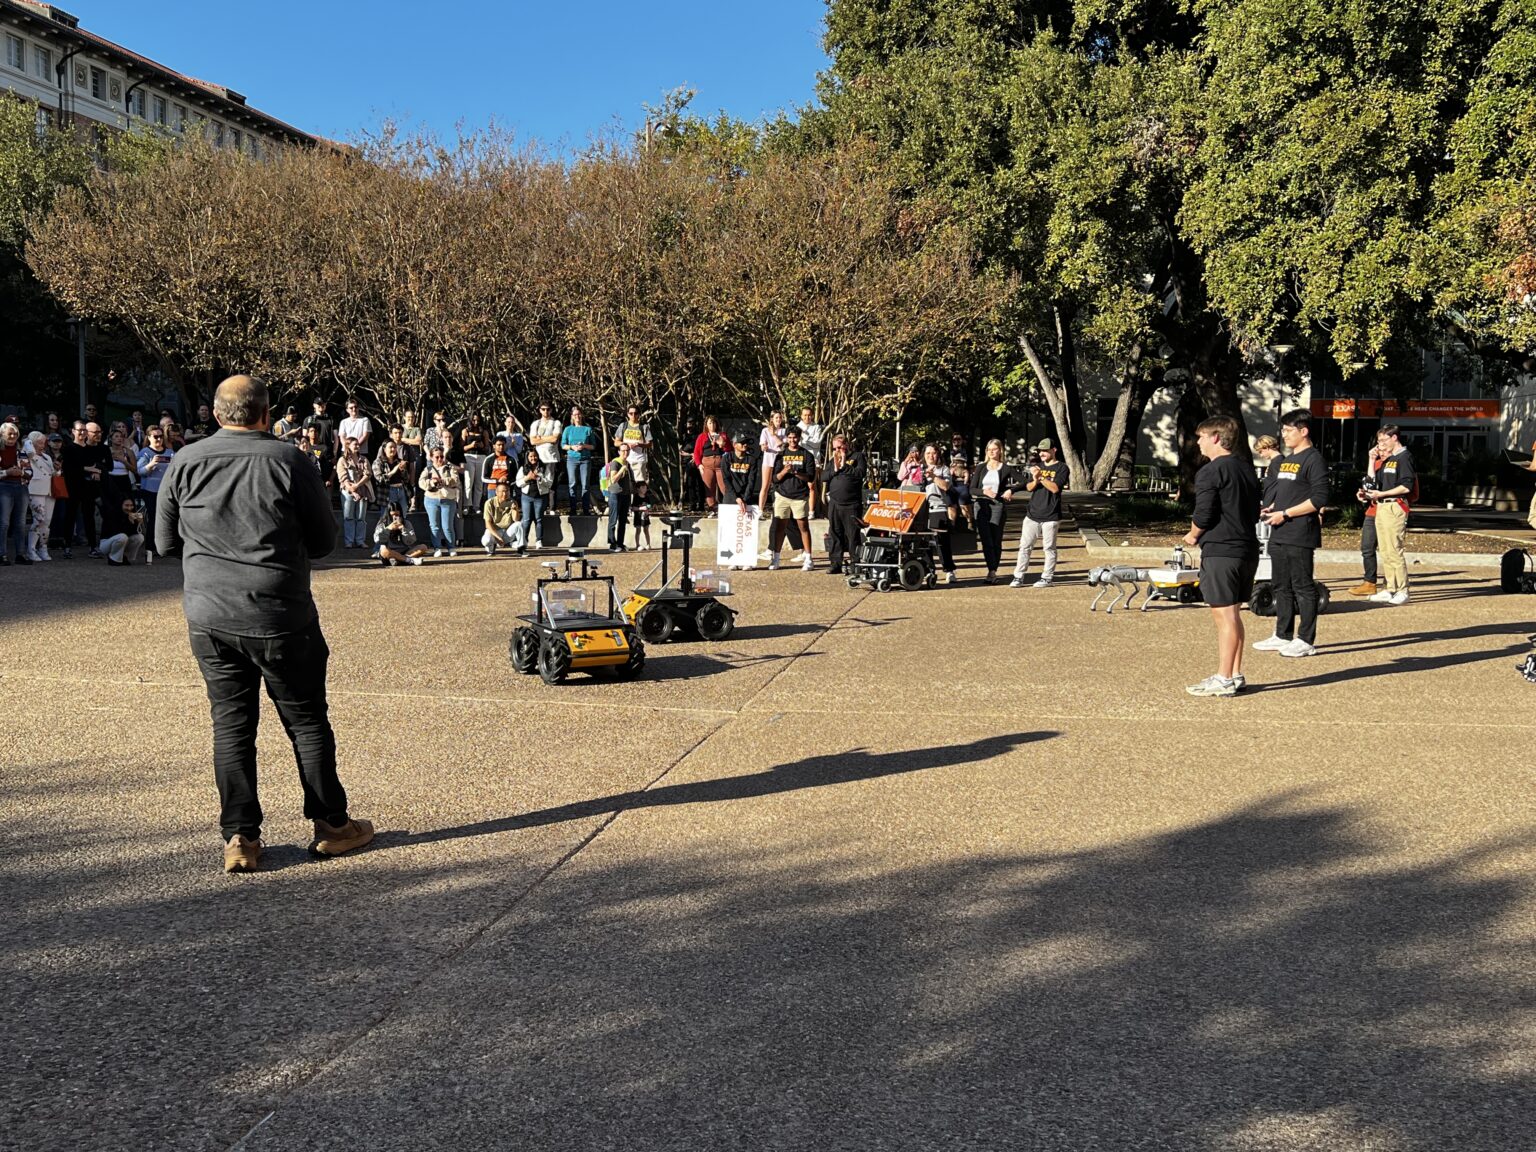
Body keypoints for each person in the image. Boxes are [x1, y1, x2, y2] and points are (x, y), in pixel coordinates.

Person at [155, 375, 373, 872]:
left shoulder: (186, 460)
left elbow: (165, 542)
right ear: (266, 414)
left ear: (216, 414)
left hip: (211, 614)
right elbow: (324, 542)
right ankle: (332, 825)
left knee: (231, 726)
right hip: (279, 613)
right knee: (307, 721)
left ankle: (240, 837)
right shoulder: (288, 460)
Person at [1183, 415, 1261, 697]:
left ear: (1216, 437)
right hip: (1246, 548)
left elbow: (1204, 513)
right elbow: (1255, 511)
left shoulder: (1211, 471)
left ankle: (1224, 677)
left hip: (1222, 550)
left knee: (1224, 616)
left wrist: (1193, 534)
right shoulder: (1246, 468)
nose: (1198, 442)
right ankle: (1235, 673)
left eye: (1202, 437)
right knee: (1234, 614)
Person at [1252, 410, 1330, 658]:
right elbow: (1291, 493)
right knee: (1280, 585)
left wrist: (1286, 514)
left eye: (1288, 430)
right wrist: (1274, 508)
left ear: (1303, 431)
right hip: (1279, 531)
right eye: (1283, 430)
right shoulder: (1288, 460)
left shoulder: (1314, 459)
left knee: (1303, 587)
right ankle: (1282, 634)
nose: (1283, 435)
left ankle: (1305, 640)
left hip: (1299, 532)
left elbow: (1319, 498)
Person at [1364, 425, 1416, 606]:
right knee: (1385, 550)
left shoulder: (1404, 457)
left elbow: (1406, 486)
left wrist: (1383, 494)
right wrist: (1371, 460)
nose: (1380, 444)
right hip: (1382, 506)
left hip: (1395, 506)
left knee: (1394, 549)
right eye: (1378, 441)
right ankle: (1389, 588)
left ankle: (1403, 590)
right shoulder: (1389, 459)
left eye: (1384, 440)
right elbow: (1372, 482)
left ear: (1394, 438)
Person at [1009, 438, 1068, 588]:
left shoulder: (1062, 468)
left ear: (1054, 450)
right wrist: (1035, 479)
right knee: (1025, 546)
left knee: (1049, 548)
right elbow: (1029, 488)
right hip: (1032, 514)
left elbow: (1055, 488)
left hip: (1051, 515)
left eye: (1045, 451)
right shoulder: (1038, 466)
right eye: (1040, 451)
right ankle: (1018, 576)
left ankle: (1047, 578)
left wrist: (1041, 476)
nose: (1042, 454)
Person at [973, 439, 1023, 583]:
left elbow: (1024, 482)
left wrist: (1010, 490)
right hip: (981, 504)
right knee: (985, 539)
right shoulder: (981, 467)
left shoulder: (1006, 468)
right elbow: (972, 489)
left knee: (995, 538)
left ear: (1000, 450)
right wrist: (984, 492)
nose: (991, 452)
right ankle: (991, 571)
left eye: (994, 449)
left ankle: (993, 570)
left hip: (997, 505)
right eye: (989, 449)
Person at [768, 426, 818, 571]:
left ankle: (808, 558)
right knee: (780, 528)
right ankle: (776, 559)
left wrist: (796, 472)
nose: (792, 440)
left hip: (800, 496)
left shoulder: (807, 455)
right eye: (789, 437)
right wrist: (784, 471)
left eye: (795, 437)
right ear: (786, 438)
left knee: (803, 527)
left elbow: (810, 477)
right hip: (782, 495)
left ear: (799, 437)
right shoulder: (781, 455)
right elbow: (775, 479)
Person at [823, 434, 865, 575]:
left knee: (853, 536)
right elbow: (824, 477)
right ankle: (835, 563)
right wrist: (835, 468)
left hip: (852, 504)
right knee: (835, 534)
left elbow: (860, 473)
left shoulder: (857, 457)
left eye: (840, 447)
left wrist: (845, 465)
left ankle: (855, 564)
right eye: (835, 448)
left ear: (846, 445)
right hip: (835, 503)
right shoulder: (832, 460)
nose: (838, 450)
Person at [1350, 440, 1386, 597]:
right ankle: (1369, 582)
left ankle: (1391, 582)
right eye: (1379, 444)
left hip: (1388, 512)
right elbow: (1369, 485)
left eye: (1383, 443)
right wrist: (1363, 495)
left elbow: (1411, 491)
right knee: (1367, 547)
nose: (1380, 449)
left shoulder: (1399, 463)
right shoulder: (1376, 464)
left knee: (1388, 550)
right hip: (1372, 511)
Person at [918, 442, 957, 584]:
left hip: (938, 507)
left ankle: (949, 570)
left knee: (941, 541)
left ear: (938, 455)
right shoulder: (918, 469)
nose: (930, 456)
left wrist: (933, 476)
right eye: (928, 453)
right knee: (923, 541)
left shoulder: (943, 469)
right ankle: (929, 570)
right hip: (921, 509)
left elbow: (946, 486)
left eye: (933, 453)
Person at [721, 433, 761, 570]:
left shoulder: (752, 460)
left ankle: (747, 560)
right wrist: (736, 498)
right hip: (731, 497)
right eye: (741, 442)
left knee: (747, 530)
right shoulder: (726, 458)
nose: (745, 445)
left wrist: (745, 498)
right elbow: (726, 480)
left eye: (746, 442)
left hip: (746, 497)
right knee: (731, 529)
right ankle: (732, 559)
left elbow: (751, 481)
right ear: (734, 445)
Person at [135, 425, 175, 561]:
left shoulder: (170, 452)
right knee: (153, 519)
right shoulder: (145, 452)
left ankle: (166, 546)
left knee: (167, 519)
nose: (158, 439)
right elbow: (140, 471)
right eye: (155, 436)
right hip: (150, 491)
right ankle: (150, 547)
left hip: (166, 491)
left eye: (160, 436)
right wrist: (151, 464)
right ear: (149, 437)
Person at [418, 446, 462, 557]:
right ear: (431, 457)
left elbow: (456, 480)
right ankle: (437, 548)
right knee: (434, 525)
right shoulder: (428, 469)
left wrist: (443, 481)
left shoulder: (450, 467)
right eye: (437, 457)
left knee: (447, 526)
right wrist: (431, 482)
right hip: (431, 499)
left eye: (441, 456)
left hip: (448, 500)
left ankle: (451, 547)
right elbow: (421, 483)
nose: (439, 459)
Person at [0, 422, 32, 565]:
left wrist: (21, 473)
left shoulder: (21, 451)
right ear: (2, 435)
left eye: (15, 434)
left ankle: (21, 554)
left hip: (21, 486)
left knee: (20, 523)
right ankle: (2, 554)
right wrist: (7, 472)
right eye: (10, 434)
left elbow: (30, 472)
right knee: (4, 522)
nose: (13, 436)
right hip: (4, 487)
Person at [336, 437, 374, 549]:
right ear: (348, 446)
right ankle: (349, 541)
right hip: (347, 491)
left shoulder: (364, 459)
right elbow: (342, 477)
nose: (357, 446)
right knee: (348, 517)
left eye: (358, 444)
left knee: (361, 517)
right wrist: (352, 490)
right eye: (355, 444)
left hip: (362, 489)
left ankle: (360, 540)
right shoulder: (342, 460)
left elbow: (368, 474)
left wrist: (357, 485)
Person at [560, 406, 599, 516]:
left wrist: (584, 446)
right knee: (572, 484)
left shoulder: (587, 429)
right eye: (575, 415)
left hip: (585, 460)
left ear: (581, 415)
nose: (577, 416)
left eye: (578, 414)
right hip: (572, 459)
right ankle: (573, 509)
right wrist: (572, 447)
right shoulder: (568, 429)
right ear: (572, 416)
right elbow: (563, 445)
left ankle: (585, 509)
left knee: (585, 485)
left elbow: (593, 446)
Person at [23, 432, 55, 562]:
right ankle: (31, 549)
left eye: (43, 442)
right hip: (35, 490)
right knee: (38, 520)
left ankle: (43, 547)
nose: (42, 445)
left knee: (47, 521)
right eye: (39, 442)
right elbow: (28, 452)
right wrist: (28, 442)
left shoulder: (47, 456)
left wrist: (57, 470)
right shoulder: (28, 454)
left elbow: (52, 472)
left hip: (49, 491)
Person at [514, 446, 550, 554]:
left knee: (539, 519)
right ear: (527, 457)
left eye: (535, 456)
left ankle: (539, 540)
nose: (533, 458)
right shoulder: (523, 468)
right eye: (531, 456)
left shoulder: (544, 467)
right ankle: (523, 541)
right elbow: (518, 483)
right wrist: (528, 478)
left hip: (540, 496)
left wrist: (538, 478)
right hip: (527, 496)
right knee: (526, 519)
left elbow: (549, 483)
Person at [692, 416, 729, 516]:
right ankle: (713, 508)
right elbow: (696, 452)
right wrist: (699, 465)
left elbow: (728, 449)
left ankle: (729, 506)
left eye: (713, 423)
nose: (712, 425)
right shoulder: (702, 436)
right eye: (710, 423)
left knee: (724, 487)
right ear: (706, 425)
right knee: (709, 487)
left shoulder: (722, 435)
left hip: (720, 463)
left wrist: (721, 443)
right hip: (707, 464)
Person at [604, 443, 635, 552]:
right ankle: (612, 544)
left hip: (625, 494)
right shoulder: (615, 463)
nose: (625, 453)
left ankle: (620, 543)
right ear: (619, 452)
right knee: (613, 520)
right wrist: (622, 470)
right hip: (615, 494)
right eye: (623, 450)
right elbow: (613, 479)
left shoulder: (627, 463)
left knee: (622, 520)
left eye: (627, 450)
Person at [99, 495, 146, 566]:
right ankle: (113, 558)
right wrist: (127, 519)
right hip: (106, 544)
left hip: (120, 540)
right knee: (122, 537)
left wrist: (138, 522)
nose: (129, 508)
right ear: (121, 505)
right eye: (126, 505)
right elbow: (116, 532)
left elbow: (134, 533)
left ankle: (124, 557)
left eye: (131, 505)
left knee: (140, 537)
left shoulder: (132, 515)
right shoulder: (112, 513)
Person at [529, 402, 563, 492]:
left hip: (552, 458)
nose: (545, 411)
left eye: (548, 409)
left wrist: (540, 438)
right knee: (540, 485)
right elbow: (532, 441)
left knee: (552, 488)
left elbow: (555, 439)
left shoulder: (556, 423)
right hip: (539, 459)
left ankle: (552, 502)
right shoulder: (536, 423)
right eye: (543, 409)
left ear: (551, 410)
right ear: (540, 410)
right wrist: (549, 438)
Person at [615, 405, 653, 484]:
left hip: (639, 461)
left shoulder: (644, 427)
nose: (633, 415)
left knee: (640, 485)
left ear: (639, 414)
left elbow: (649, 444)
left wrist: (638, 444)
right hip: (625, 460)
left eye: (635, 413)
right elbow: (616, 442)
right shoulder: (623, 426)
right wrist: (626, 444)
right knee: (626, 485)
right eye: (631, 413)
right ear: (627, 414)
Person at [481, 485, 523, 555]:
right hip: (494, 531)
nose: (505, 494)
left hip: (506, 532)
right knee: (486, 541)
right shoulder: (489, 503)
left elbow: (516, 519)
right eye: (502, 491)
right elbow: (487, 524)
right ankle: (491, 549)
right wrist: (498, 537)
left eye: (507, 491)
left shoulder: (513, 502)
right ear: (496, 492)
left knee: (519, 524)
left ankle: (521, 548)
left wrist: (515, 509)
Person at [757, 410, 787, 510]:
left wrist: (774, 434)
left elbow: (781, 445)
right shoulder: (765, 430)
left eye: (780, 417)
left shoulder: (784, 431)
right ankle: (760, 510)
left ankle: (778, 509)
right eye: (776, 417)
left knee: (778, 486)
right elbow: (762, 446)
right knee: (765, 486)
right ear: (772, 419)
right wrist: (764, 447)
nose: (778, 419)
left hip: (780, 459)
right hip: (768, 459)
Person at [373, 438, 411, 511]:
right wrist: (393, 471)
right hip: (387, 492)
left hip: (401, 490)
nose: (393, 449)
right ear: (384, 449)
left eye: (394, 447)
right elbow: (379, 480)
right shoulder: (378, 462)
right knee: (388, 516)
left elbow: (406, 479)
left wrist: (403, 470)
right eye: (390, 447)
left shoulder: (399, 461)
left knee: (402, 515)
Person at [481, 435, 515, 503]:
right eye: (499, 445)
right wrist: (497, 481)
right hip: (492, 489)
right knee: (492, 508)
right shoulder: (488, 459)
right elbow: (483, 478)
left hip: (506, 489)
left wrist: (507, 479)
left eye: (503, 445)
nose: (501, 447)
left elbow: (516, 477)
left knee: (506, 508)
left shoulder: (511, 459)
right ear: (494, 446)